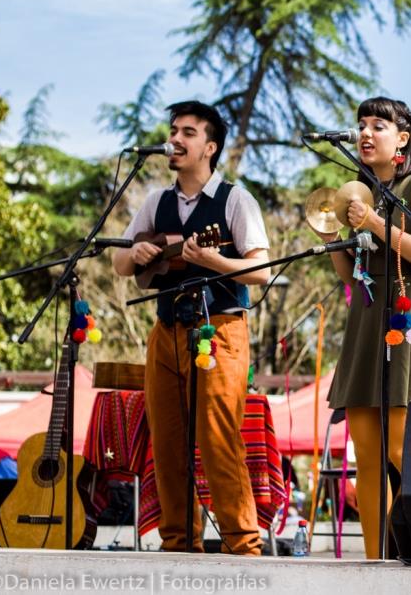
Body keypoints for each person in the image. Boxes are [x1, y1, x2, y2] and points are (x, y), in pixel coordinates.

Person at [112, 101, 270, 555]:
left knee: (218, 437)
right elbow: (122, 262)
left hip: (219, 328)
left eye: (188, 132)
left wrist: (213, 261)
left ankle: (243, 546)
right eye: (173, 130)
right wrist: (138, 255)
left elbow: (260, 270)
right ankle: (179, 543)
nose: (175, 140)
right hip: (166, 328)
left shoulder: (235, 199)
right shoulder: (155, 201)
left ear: (210, 147)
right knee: (167, 441)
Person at [318, 96, 411, 559]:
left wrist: (375, 221)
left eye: (379, 125)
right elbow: (348, 273)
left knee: (403, 445)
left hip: (409, 308)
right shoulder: (356, 192)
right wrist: (331, 237)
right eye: (361, 124)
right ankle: (376, 560)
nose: (365, 133)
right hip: (367, 314)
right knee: (367, 454)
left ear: (403, 137)